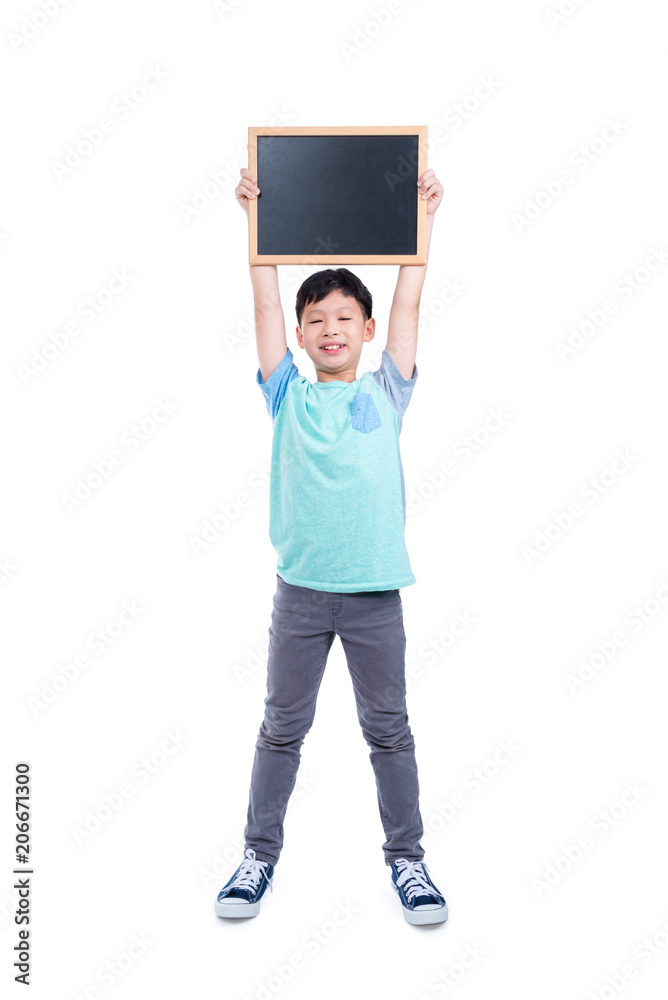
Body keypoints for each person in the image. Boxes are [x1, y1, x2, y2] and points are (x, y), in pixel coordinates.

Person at [215, 163, 447, 926]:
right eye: (315, 319)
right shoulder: (287, 392)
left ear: (368, 330)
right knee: (282, 727)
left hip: (376, 596)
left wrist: (422, 224)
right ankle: (258, 855)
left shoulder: (387, 388)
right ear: (302, 335)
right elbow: (262, 305)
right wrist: (256, 223)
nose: (330, 329)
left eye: (345, 317)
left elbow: (412, 298)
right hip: (303, 597)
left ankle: (407, 861)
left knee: (389, 730)